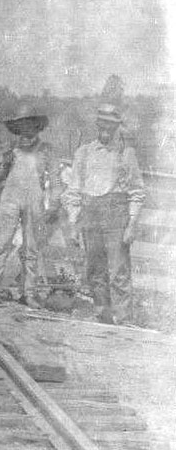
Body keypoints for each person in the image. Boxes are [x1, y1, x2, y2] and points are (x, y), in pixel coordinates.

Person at [63, 103, 146, 324]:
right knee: (94, 268)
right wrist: (74, 222)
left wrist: (131, 224)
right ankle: (102, 314)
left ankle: (123, 318)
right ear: (97, 125)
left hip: (116, 213)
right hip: (90, 213)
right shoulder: (84, 152)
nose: (106, 130)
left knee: (118, 269)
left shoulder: (126, 154)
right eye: (102, 124)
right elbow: (74, 190)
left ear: (118, 126)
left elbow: (137, 191)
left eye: (111, 125)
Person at [0, 105, 53, 304]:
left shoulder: (46, 151)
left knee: (31, 247)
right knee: (2, 242)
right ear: (17, 128)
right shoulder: (11, 150)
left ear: (37, 127)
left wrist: (54, 204)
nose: (26, 130)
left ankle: (28, 292)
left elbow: (55, 180)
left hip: (34, 201)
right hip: (10, 200)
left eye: (29, 126)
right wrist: (5, 162)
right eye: (21, 126)